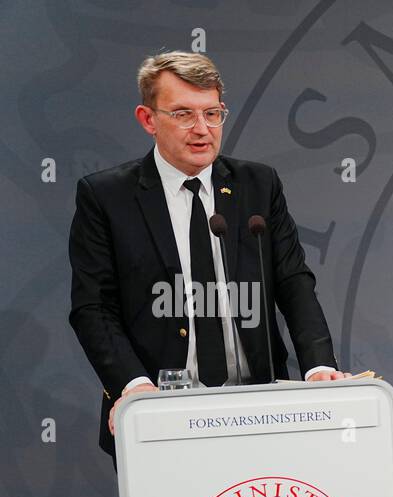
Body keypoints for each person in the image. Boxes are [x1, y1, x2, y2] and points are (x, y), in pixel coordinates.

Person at [69, 51, 346, 459]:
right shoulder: (107, 197)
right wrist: (134, 386)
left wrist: (319, 366)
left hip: (261, 412)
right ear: (148, 119)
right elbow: (93, 307)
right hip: (159, 414)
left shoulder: (258, 184)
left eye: (212, 113)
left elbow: (293, 282)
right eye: (183, 114)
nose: (202, 129)